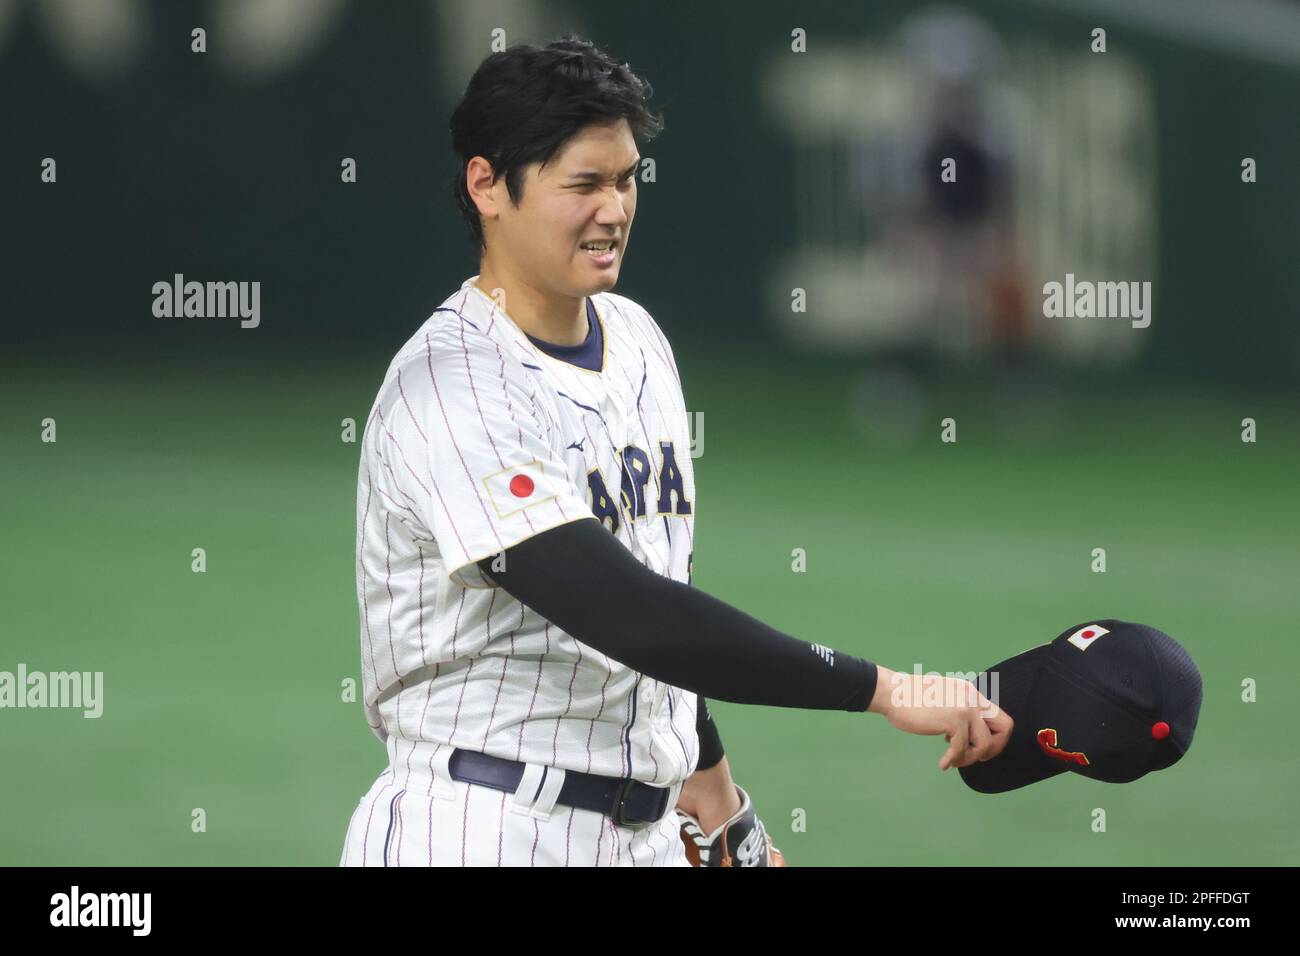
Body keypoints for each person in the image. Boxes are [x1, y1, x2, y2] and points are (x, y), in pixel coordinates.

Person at [339, 35, 1012, 867]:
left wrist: (718, 794)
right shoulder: (450, 388)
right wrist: (883, 689)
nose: (614, 208)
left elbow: (660, 605)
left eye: (625, 180)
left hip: (644, 834)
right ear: (488, 186)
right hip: (482, 825)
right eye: (582, 183)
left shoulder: (638, 339)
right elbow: (625, 611)